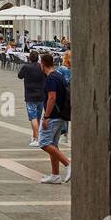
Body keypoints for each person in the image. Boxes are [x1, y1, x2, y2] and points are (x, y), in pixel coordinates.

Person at [37, 51, 71, 184]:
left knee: (44, 143)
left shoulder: (51, 78)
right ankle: (55, 175)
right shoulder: (59, 76)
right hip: (61, 115)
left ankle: (68, 164)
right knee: (53, 145)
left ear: (43, 64)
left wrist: (46, 116)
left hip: (53, 116)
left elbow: (52, 98)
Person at [17, 49, 47, 145]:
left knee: (33, 117)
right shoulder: (41, 67)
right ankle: (35, 135)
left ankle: (37, 138)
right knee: (38, 117)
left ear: (30, 58)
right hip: (41, 95)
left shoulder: (26, 67)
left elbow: (19, 76)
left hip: (30, 95)